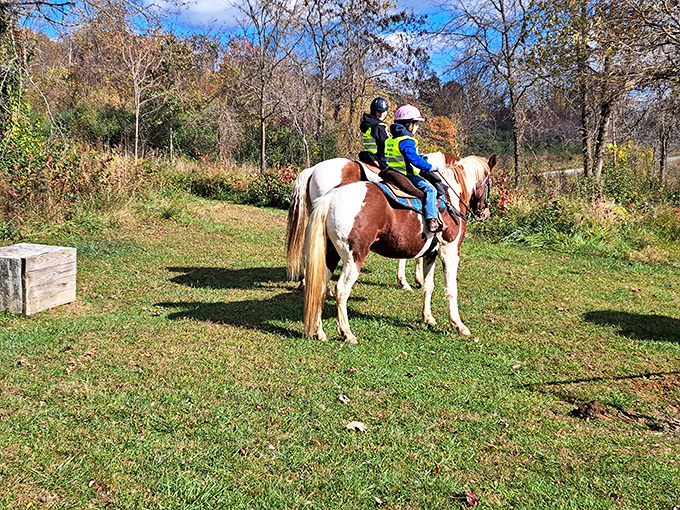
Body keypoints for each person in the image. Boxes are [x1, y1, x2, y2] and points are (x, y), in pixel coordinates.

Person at [384, 104, 443, 232]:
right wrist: (429, 167)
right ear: (408, 125)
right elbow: (413, 160)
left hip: (390, 172)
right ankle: (432, 219)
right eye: (416, 124)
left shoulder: (391, 139)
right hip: (406, 175)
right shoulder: (407, 140)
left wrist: (419, 156)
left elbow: (404, 155)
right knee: (430, 190)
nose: (417, 127)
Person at [359, 96, 390, 170]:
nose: (382, 114)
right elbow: (386, 144)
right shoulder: (377, 126)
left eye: (384, 111)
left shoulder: (369, 124)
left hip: (369, 155)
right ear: (374, 111)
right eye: (379, 111)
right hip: (380, 157)